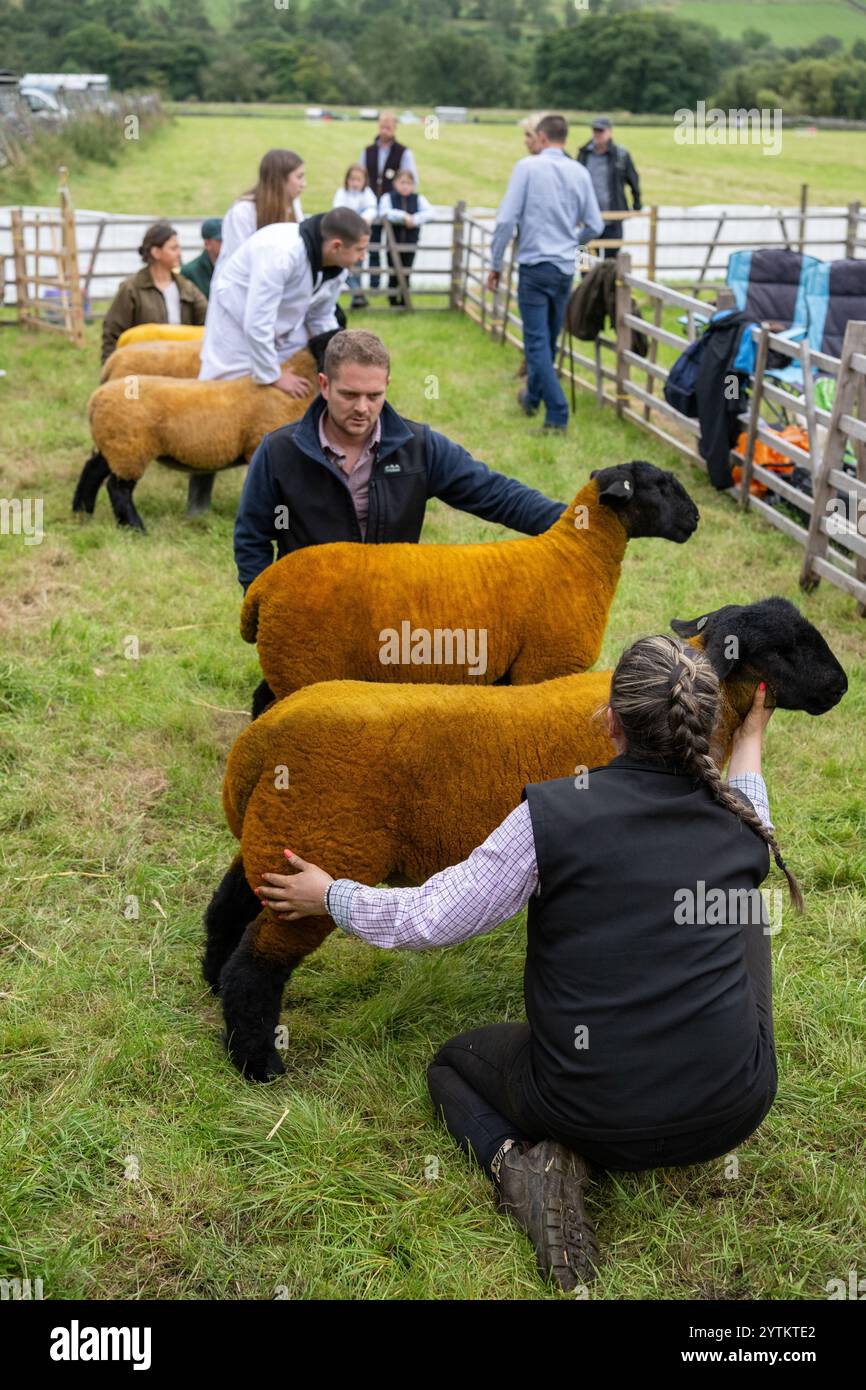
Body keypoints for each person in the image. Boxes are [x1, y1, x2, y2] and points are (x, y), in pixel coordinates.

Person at [254, 640, 788, 1292]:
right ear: (707, 727)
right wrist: (754, 733)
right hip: (733, 1106)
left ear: (610, 721)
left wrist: (330, 895)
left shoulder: (553, 817)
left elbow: (429, 917)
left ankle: (516, 1164)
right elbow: (750, 790)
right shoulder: (742, 823)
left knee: (451, 1064)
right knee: (746, 912)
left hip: (584, 1111)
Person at [234, 328, 565, 592]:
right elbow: (253, 535)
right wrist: (265, 607)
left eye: (374, 395)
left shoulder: (417, 447)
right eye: (349, 394)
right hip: (312, 606)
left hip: (394, 607)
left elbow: (497, 494)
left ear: (387, 386)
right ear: (324, 385)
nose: (362, 407)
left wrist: (582, 520)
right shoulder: (279, 451)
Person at [487, 114, 604, 435]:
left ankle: (558, 412)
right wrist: (570, 242)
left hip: (535, 266)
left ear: (541, 135)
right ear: (565, 137)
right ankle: (532, 399)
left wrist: (495, 263)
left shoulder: (527, 167)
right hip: (564, 268)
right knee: (547, 343)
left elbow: (506, 220)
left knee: (537, 344)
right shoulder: (579, 172)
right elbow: (595, 224)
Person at [198, 208, 368, 389]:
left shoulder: (336, 268)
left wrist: (340, 358)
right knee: (226, 391)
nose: (363, 257)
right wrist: (273, 375)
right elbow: (257, 320)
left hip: (279, 330)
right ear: (336, 246)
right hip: (235, 324)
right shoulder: (281, 252)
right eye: (360, 249)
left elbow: (321, 315)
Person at [100, 221, 207, 364]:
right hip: (143, 365)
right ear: (156, 252)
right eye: (173, 248)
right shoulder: (132, 289)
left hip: (180, 364)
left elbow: (208, 321)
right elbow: (112, 333)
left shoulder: (186, 288)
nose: (179, 253)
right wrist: (111, 371)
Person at [213, 149, 306, 285]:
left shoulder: (293, 204)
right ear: (280, 179)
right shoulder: (243, 211)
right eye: (299, 177)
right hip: (239, 293)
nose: (304, 184)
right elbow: (240, 261)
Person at [359, 111, 419, 293]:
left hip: (394, 207)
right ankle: (374, 285)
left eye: (389, 126)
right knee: (374, 247)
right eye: (382, 125)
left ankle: (396, 286)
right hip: (372, 207)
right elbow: (360, 175)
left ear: (395, 127)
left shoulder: (403, 152)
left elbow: (412, 179)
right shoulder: (368, 151)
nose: (385, 129)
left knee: (394, 248)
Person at [576, 117, 641, 261]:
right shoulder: (584, 154)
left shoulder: (621, 155)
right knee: (583, 259)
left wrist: (637, 204)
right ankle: (586, 283)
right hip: (587, 219)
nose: (597, 134)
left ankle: (608, 284)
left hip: (612, 217)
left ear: (610, 132)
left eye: (601, 130)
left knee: (611, 261)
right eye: (595, 130)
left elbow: (633, 179)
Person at [378, 168, 433, 307]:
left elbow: (430, 213)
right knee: (393, 271)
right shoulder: (388, 198)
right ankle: (392, 300)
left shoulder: (418, 199)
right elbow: (384, 212)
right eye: (402, 182)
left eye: (408, 183)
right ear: (395, 183)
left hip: (410, 242)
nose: (405, 186)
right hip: (393, 242)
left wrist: (414, 219)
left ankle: (404, 300)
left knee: (407, 271)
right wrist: (403, 217)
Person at [332, 164, 378, 310]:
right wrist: (354, 218)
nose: (355, 183)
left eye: (359, 180)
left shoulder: (367, 194)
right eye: (352, 179)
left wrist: (364, 217)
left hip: (359, 239)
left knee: (356, 265)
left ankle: (356, 298)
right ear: (347, 180)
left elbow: (372, 209)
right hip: (344, 238)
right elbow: (338, 209)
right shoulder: (342, 193)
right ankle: (357, 293)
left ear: (365, 181)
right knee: (344, 267)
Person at [180, 217, 223, 299]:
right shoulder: (189, 272)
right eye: (220, 240)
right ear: (207, 244)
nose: (225, 244)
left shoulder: (232, 267)